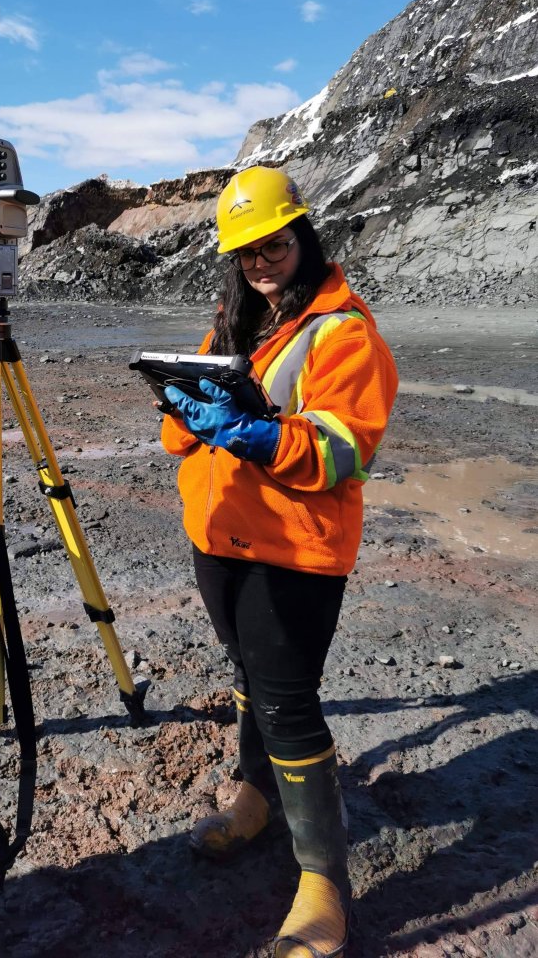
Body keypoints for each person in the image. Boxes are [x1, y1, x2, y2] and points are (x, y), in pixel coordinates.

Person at [160, 165, 398, 958]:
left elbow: (341, 449)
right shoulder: (235, 316)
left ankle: (323, 881)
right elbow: (181, 433)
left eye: (274, 244)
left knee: (288, 701)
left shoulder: (344, 332)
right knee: (246, 676)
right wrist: (184, 406)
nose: (261, 261)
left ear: (303, 235)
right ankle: (254, 797)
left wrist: (261, 434)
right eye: (247, 251)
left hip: (294, 548)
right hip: (220, 536)